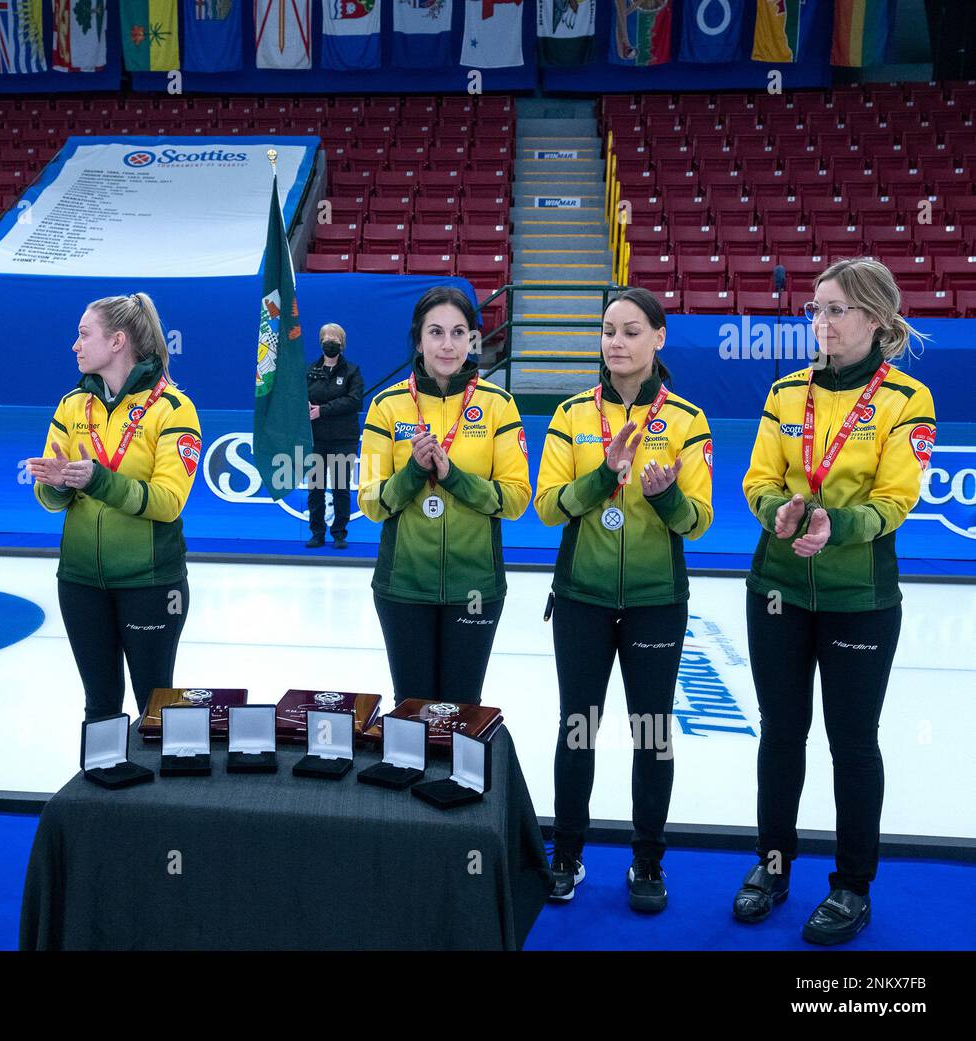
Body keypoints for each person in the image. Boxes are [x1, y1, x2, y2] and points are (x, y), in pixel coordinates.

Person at [734, 258, 936, 946]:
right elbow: (758, 477)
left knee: (853, 745)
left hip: (861, 597)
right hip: (778, 591)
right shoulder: (788, 390)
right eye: (816, 310)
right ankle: (772, 864)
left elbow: (896, 499)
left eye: (836, 310)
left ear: (876, 319)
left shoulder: (907, 400)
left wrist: (836, 523)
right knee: (780, 733)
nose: (821, 323)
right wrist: (776, 510)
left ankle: (852, 884)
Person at [534, 287, 714, 913]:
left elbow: (699, 523)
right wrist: (603, 475)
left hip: (654, 603)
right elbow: (548, 506)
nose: (616, 342)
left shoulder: (688, 420)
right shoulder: (572, 415)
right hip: (581, 598)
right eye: (609, 331)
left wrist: (665, 495)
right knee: (577, 730)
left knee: (651, 732)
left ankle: (647, 861)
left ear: (659, 338)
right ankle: (566, 856)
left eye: (631, 331)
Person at [28, 293, 201, 721]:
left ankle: (159, 788)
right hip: (80, 581)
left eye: (84, 334)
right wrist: (58, 486)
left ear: (118, 341)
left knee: (155, 707)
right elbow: (50, 500)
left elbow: (168, 503)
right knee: (100, 705)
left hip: (151, 583)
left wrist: (97, 479)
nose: (75, 344)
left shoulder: (173, 409)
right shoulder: (72, 405)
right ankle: (98, 784)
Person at [358, 286, 531, 706]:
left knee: (462, 710)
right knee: (412, 711)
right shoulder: (386, 405)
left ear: (472, 339)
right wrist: (415, 472)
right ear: (418, 339)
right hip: (404, 588)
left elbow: (516, 499)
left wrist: (453, 477)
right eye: (436, 332)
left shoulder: (498, 405)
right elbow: (371, 503)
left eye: (459, 332)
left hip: (476, 588)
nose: (448, 344)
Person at [304, 322, 363, 550]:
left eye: (335, 338)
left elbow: (354, 401)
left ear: (342, 343)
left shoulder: (352, 371)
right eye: (326, 338)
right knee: (316, 487)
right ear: (320, 342)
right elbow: (300, 398)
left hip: (343, 439)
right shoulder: (310, 371)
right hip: (316, 438)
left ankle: (339, 533)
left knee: (340, 487)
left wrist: (322, 410)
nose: (330, 342)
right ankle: (317, 533)